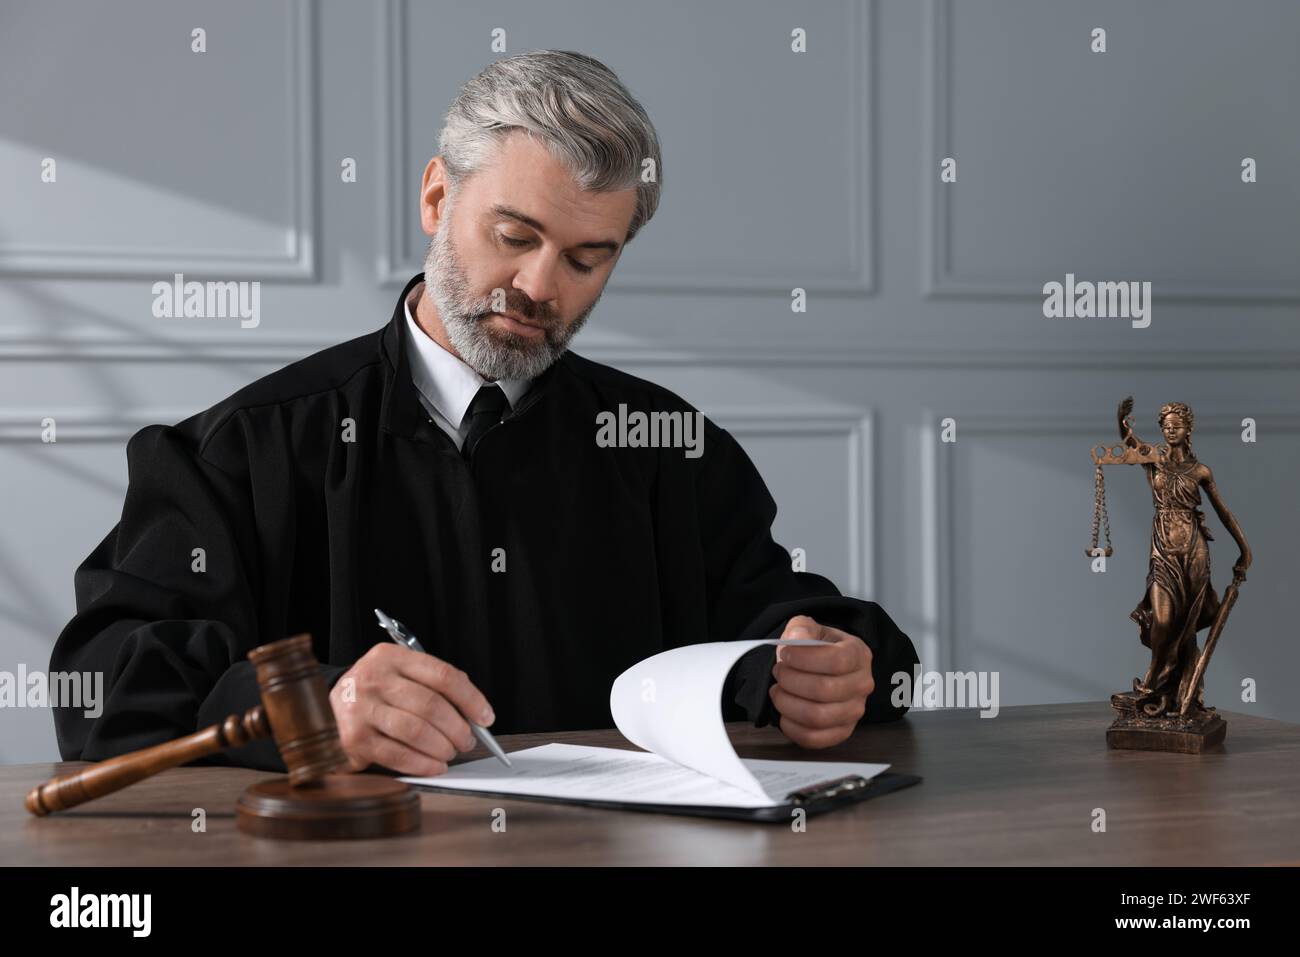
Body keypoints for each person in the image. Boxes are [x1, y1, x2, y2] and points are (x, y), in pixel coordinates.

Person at [50, 50, 919, 776]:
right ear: (437, 199)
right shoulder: (240, 451)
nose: (542, 287)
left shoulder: (669, 449)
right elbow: (99, 690)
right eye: (515, 237)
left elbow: (798, 628)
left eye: (587, 257)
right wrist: (308, 709)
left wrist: (829, 667)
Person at [1118, 398, 1250, 717]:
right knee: (1163, 621)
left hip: (1194, 553)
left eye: (1177, 424)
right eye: (1166, 425)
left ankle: (1175, 694)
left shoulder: (1200, 470)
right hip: (1162, 551)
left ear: (1188, 428)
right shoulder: (1154, 460)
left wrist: (1245, 549)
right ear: (1161, 429)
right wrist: (1121, 422)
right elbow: (1129, 444)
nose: (1171, 429)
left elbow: (1224, 512)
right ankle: (1154, 684)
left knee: (1186, 624)